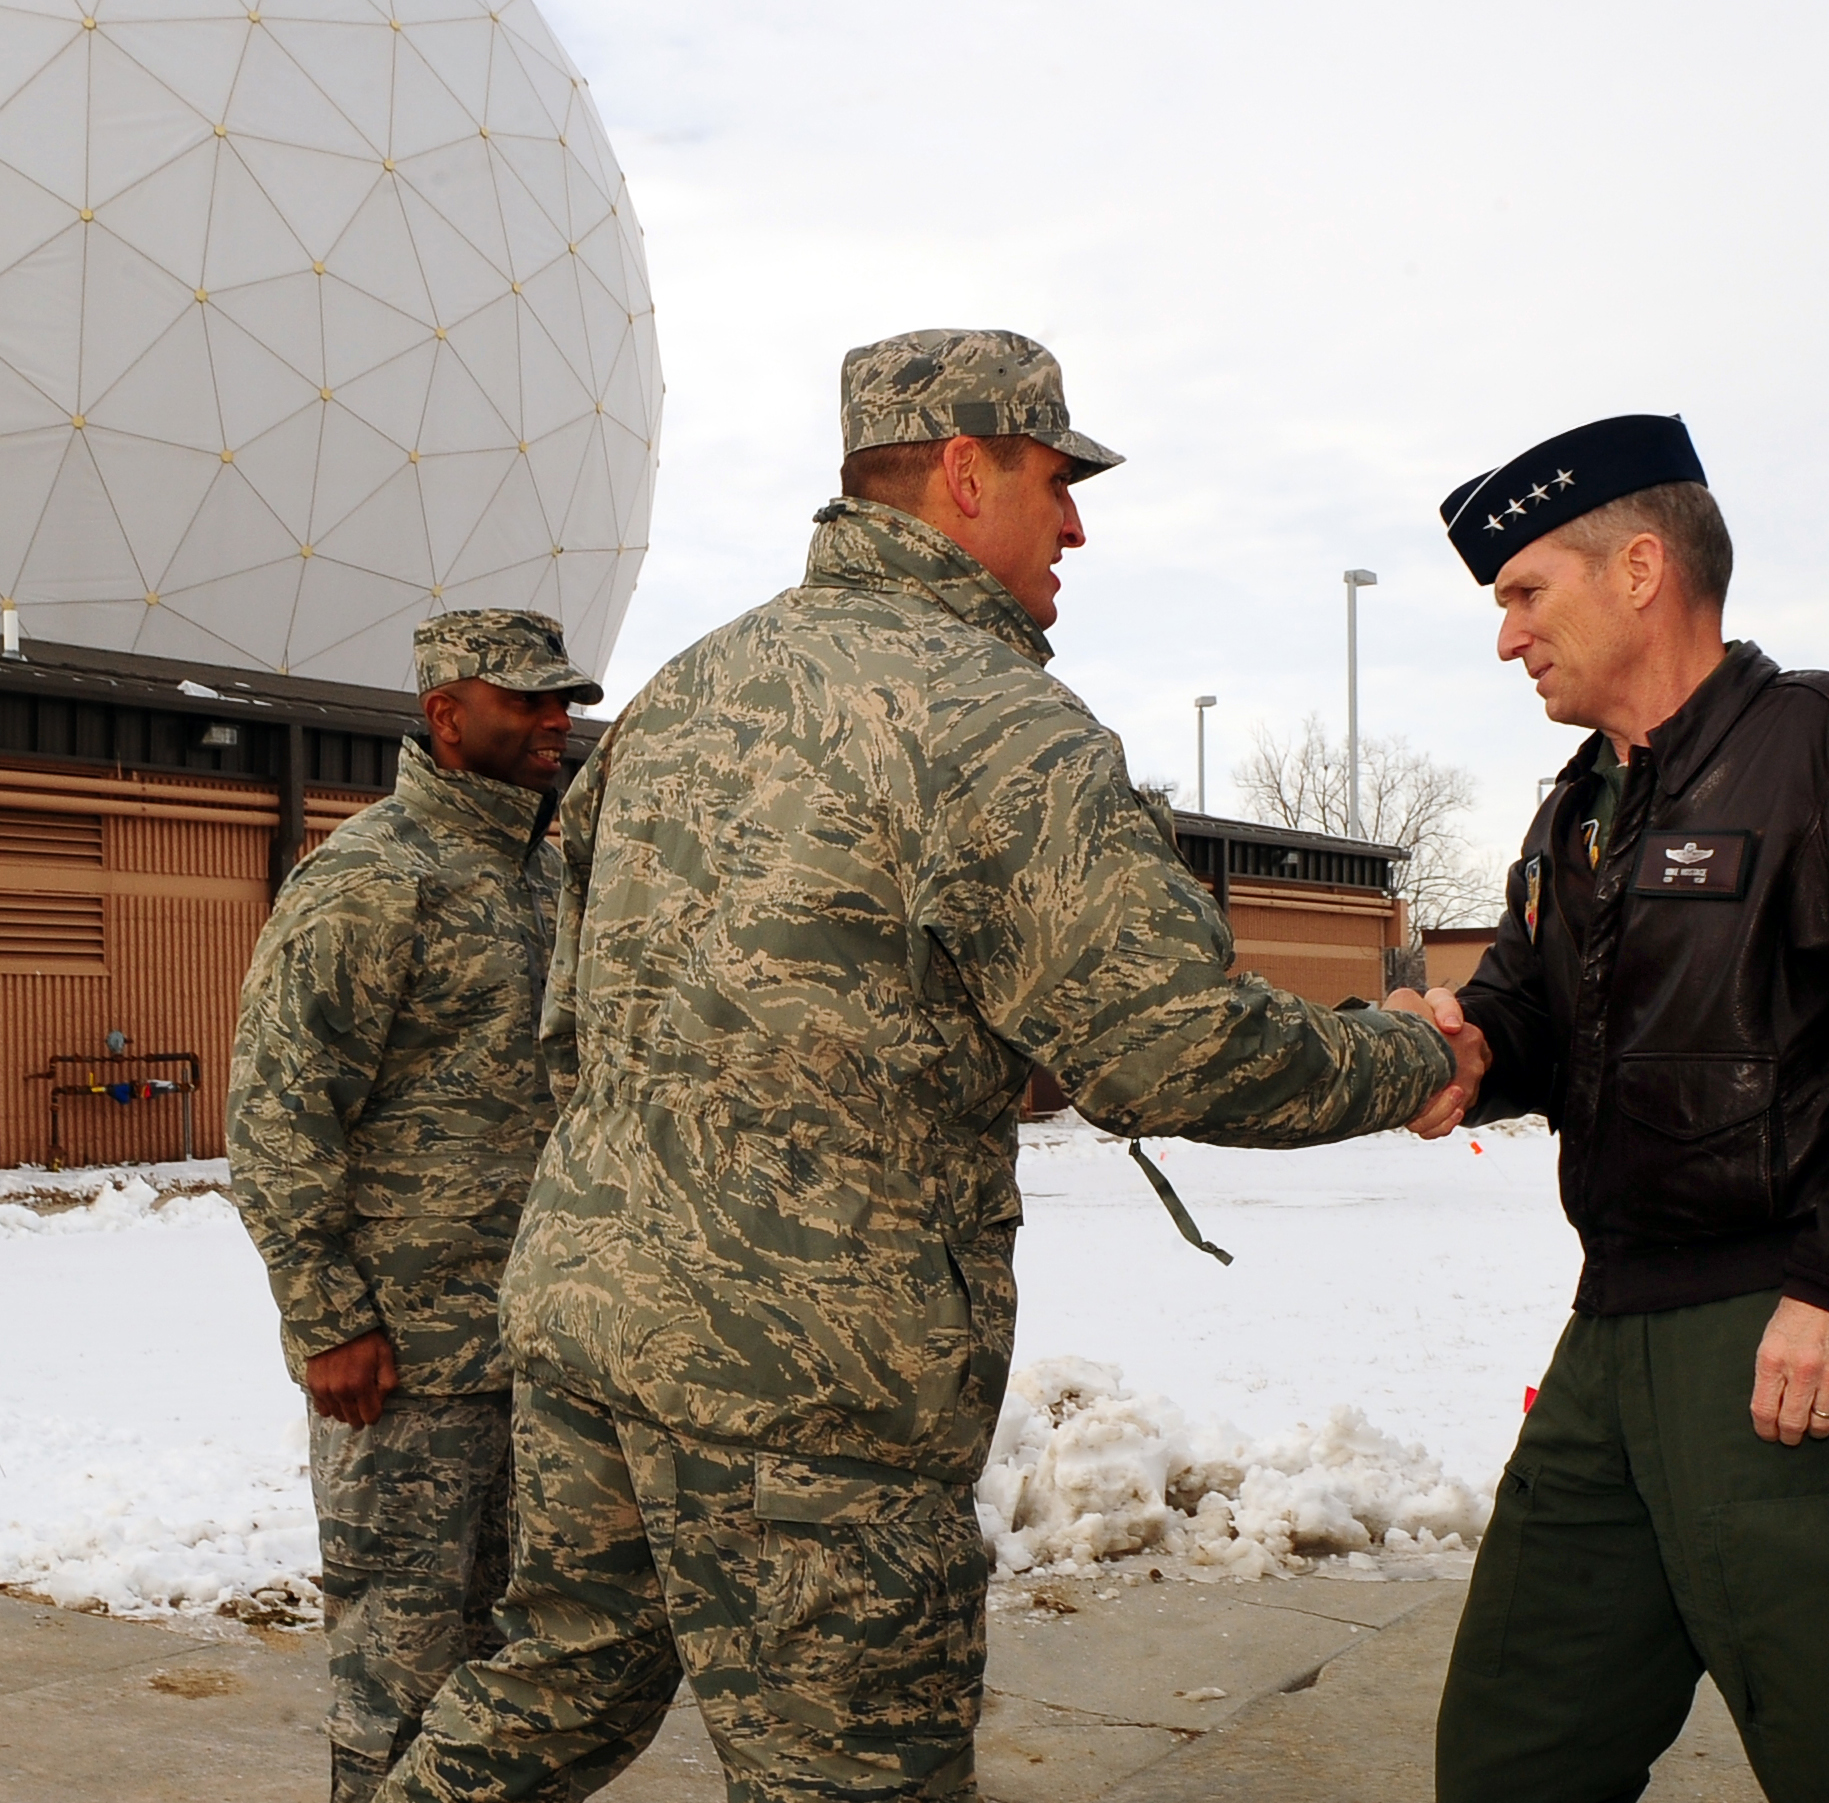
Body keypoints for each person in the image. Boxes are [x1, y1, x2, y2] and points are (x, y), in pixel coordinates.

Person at [372, 329, 1480, 1803]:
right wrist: (1399, 1054)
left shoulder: (677, 704)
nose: (1076, 521)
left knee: (552, 1682)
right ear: (965, 473)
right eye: (1053, 479)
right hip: (806, 1392)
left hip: (591, 1321)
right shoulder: (999, 728)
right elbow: (1175, 1051)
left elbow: (588, 1024)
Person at [1419, 414, 1829, 1803]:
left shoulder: (1827, 752)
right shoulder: (1581, 805)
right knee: (1517, 1743)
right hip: (1613, 1327)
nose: (1506, 638)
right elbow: (1529, 1008)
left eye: (1523, 593)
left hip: (1777, 1337)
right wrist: (1462, 1051)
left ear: (1638, 570)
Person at [227, 609, 605, 1803]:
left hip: (538, 1347)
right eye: (527, 702)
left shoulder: (548, 874)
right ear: (447, 712)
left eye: (564, 702)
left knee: (519, 1674)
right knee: (397, 1671)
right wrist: (329, 1317)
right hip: (408, 1364)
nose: (557, 723)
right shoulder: (370, 876)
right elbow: (278, 1111)